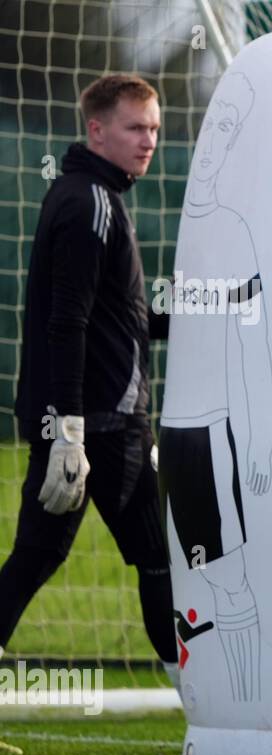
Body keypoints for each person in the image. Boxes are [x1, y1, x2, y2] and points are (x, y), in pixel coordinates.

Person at [0, 74, 177, 688]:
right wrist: (70, 432)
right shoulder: (90, 203)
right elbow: (66, 322)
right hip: (100, 425)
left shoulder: (90, 195)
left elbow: (120, 320)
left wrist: (213, 309)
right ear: (97, 130)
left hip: (84, 421)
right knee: (161, 560)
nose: (148, 140)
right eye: (135, 127)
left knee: (36, 558)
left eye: (155, 128)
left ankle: (203, 702)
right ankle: (205, 708)